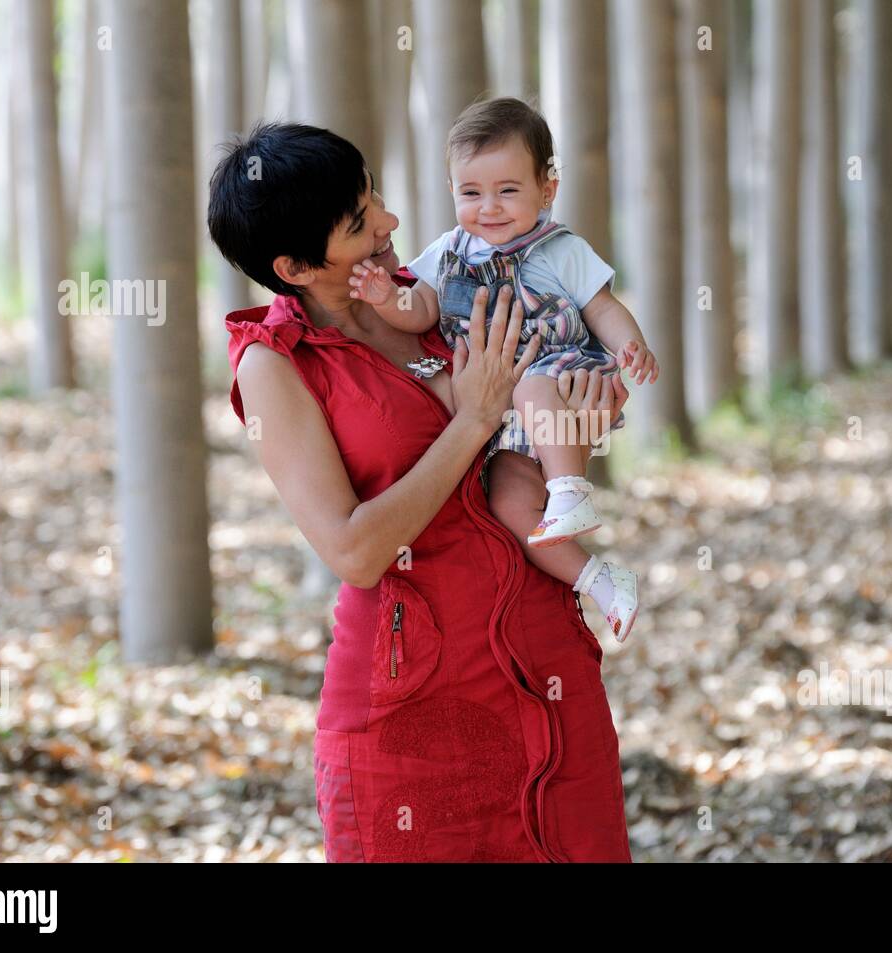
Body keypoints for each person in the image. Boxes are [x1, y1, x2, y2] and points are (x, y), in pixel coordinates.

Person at [207, 121, 632, 862]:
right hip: (411, 722)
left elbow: (548, 433)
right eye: (358, 221)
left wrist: (590, 393)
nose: (389, 222)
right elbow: (355, 549)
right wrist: (470, 418)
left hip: (547, 678)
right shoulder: (273, 368)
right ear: (297, 265)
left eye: (374, 197)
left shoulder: (443, 291)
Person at [349, 97, 655, 643]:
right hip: (506, 415)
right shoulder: (446, 254)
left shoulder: (561, 249)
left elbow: (602, 306)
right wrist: (382, 299)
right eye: (471, 193)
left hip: (556, 370)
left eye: (507, 191)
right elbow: (420, 308)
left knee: (535, 386)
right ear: (452, 192)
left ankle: (569, 487)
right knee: (509, 502)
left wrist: (631, 345)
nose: (488, 207)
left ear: (547, 191)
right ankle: (602, 580)